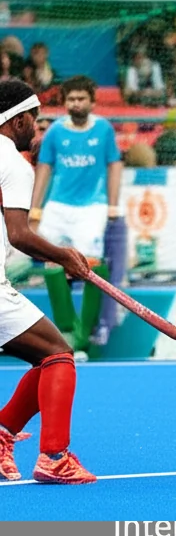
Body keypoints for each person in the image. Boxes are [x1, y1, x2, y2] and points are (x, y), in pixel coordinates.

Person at [0, 79, 96, 484]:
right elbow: (20, 235)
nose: (38, 129)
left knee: (45, 355)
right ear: (18, 120)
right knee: (58, 354)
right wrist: (64, 255)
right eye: (34, 120)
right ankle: (54, 457)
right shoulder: (12, 163)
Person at [29, 75, 126, 347]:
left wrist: (113, 204)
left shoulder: (104, 130)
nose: (76, 104)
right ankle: (66, 330)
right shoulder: (55, 132)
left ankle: (88, 333)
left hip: (92, 208)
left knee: (91, 265)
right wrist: (35, 210)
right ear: (65, 103)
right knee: (53, 266)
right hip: (58, 207)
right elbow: (44, 169)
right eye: (71, 99)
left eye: (81, 98)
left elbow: (114, 165)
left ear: (92, 102)